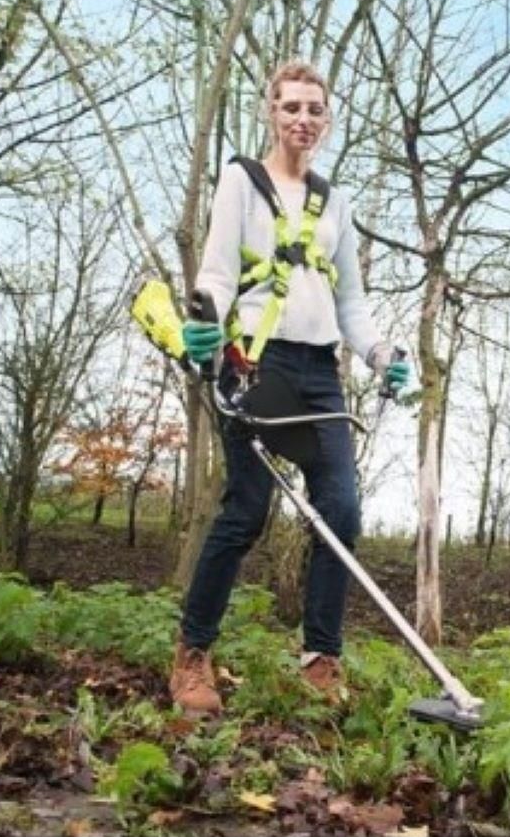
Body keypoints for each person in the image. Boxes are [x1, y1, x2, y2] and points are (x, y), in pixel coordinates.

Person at [170, 61, 410, 715]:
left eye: (315, 109)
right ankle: (192, 656)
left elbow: (352, 306)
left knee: (341, 510)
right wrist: (205, 327)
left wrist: (383, 354)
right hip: (255, 362)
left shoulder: (335, 202)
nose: (303, 119)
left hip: (320, 371)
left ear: (327, 121)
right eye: (291, 107)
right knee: (247, 508)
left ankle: (320, 662)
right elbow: (218, 273)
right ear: (271, 113)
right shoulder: (241, 181)